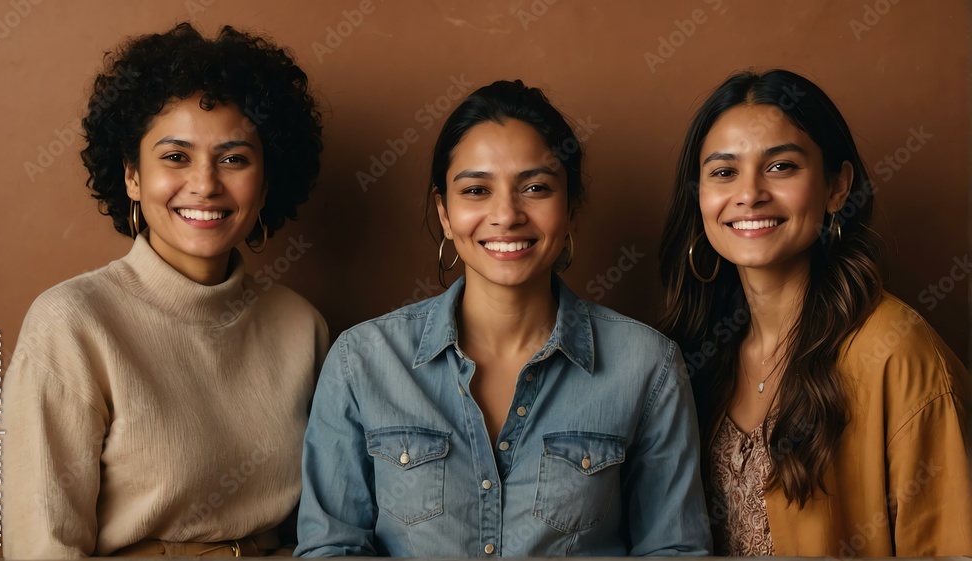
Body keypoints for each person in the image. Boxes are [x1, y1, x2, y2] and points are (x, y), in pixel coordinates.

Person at [295, 79, 711, 557]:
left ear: (570, 206)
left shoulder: (648, 365)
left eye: (535, 188)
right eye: (476, 190)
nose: (506, 215)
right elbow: (332, 548)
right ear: (444, 213)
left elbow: (673, 550)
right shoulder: (362, 361)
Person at [2, 23, 328, 557]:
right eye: (176, 156)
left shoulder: (303, 326)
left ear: (267, 181)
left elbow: (325, 526)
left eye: (234, 158)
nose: (205, 184)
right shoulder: (71, 323)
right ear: (132, 175)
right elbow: (44, 546)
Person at [659, 69, 972, 556]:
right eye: (723, 172)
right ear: (698, 196)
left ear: (837, 187)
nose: (749, 194)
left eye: (781, 166)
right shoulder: (695, 351)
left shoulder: (897, 353)